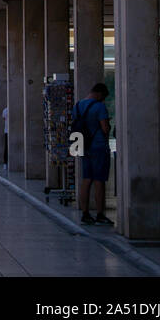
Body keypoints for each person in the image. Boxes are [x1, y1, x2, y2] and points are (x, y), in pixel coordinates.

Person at [72, 82, 113, 226]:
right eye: (103, 97)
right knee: (99, 180)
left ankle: (85, 213)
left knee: (86, 179)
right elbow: (105, 128)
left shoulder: (77, 106)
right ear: (100, 94)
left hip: (83, 146)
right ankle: (100, 214)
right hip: (98, 146)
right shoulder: (100, 107)